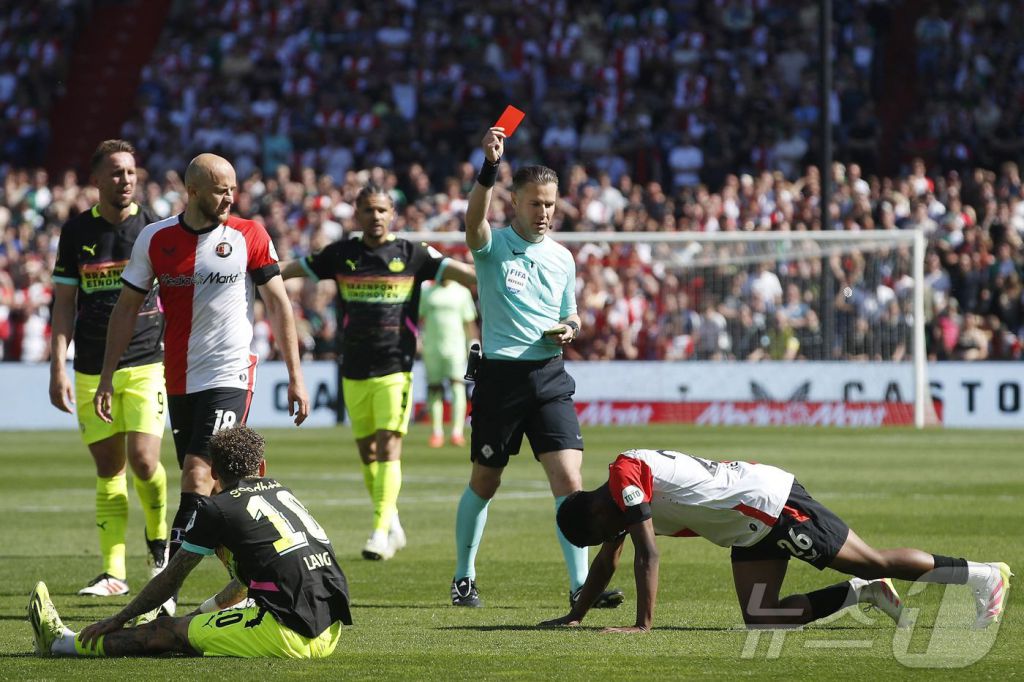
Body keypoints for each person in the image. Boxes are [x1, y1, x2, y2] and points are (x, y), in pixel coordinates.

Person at [95, 153, 310, 614]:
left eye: (233, 187)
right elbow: (126, 310)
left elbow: (278, 305)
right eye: (220, 188)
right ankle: (258, 576)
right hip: (179, 379)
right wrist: (107, 375)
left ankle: (164, 594)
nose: (230, 196)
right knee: (214, 494)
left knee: (196, 474)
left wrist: (296, 376)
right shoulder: (156, 239)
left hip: (231, 374)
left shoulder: (250, 235)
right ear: (192, 191)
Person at [542, 448, 1013, 632]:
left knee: (869, 559)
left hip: (768, 503)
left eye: (601, 532)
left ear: (596, 510)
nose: (608, 538)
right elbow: (608, 562)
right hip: (747, 532)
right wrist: (575, 616)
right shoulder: (615, 505)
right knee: (762, 616)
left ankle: (983, 576)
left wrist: (642, 627)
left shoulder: (626, 475)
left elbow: (649, 553)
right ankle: (863, 595)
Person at [451, 126, 622, 610]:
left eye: (550, 204)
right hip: (501, 379)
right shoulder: (492, 247)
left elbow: (571, 313)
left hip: (549, 376)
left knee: (569, 483)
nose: (544, 213)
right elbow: (473, 218)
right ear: (515, 204)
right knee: (486, 481)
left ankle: (580, 586)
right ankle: (464, 576)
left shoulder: (563, 258)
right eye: (535, 204)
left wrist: (570, 328)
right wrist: (488, 166)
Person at [28, 426, 352, 659]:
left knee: (164, 631)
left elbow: (171, 577)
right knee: (184, 625)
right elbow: (243, 583)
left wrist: (119, 618)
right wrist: (200, 614)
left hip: (289, 634)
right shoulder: (283, 493)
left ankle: (61, 644)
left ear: (213, 472)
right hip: (329, 630)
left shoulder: (217, 509)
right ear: (262, 467)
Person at [280, 184, 475, 561]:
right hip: (352, 366)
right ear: (357, 214)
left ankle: (380, 529)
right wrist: (255, 273)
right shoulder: (341, 254)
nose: (377, 217)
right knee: (367, 451)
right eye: (369, 210)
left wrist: (498, 275)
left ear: (393, 214)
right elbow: (291, 270)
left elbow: (466, 274)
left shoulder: (412, 254)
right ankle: (392, 520)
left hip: (395, 366)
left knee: (389, 445)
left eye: (383, 210)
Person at [49, 139, 169, 598]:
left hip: (145, 361)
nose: (126, 180)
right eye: (116, 172)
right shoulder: (75, 232)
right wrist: (57, 366)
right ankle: (112, 572)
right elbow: (64, 303)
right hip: (88, 366)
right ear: (96, 178)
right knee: (108, 468)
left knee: (144, 461)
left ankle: (159, 549)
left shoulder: (155, 229)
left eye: (131, 172)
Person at [419, 275, 478, 448]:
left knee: (457, 386)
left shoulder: (462, 292)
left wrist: (473, 343)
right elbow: (419, 318)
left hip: (456, 348)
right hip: (432, 348)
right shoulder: (428, 292)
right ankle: (436, 432)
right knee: (434, 388)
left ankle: (456, 432)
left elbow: (469, 322)